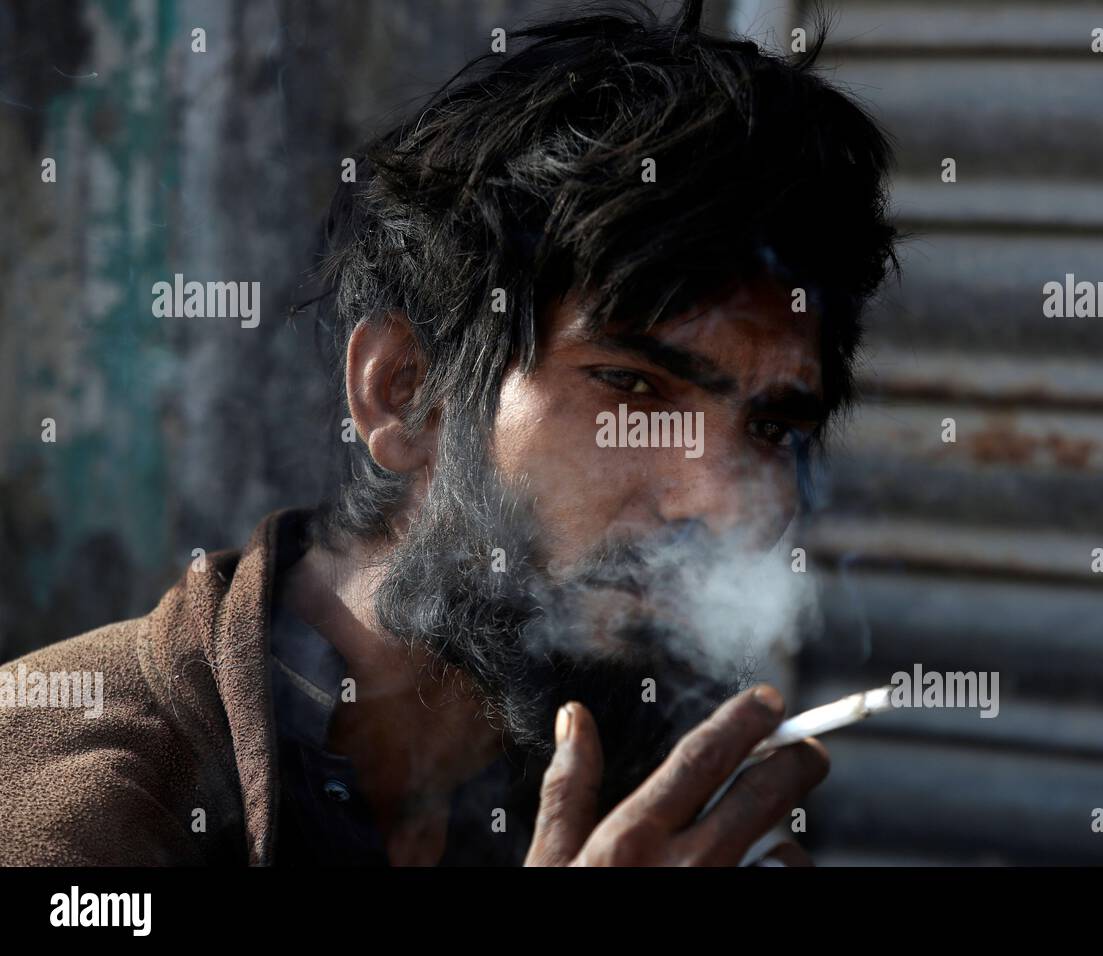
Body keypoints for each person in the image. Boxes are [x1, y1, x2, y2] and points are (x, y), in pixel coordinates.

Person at [0, 0, 897, 866]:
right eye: (632, 386)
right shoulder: (72, 798)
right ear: (404, 393)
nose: (722, 500)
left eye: (773, 426)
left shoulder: (650, 780)